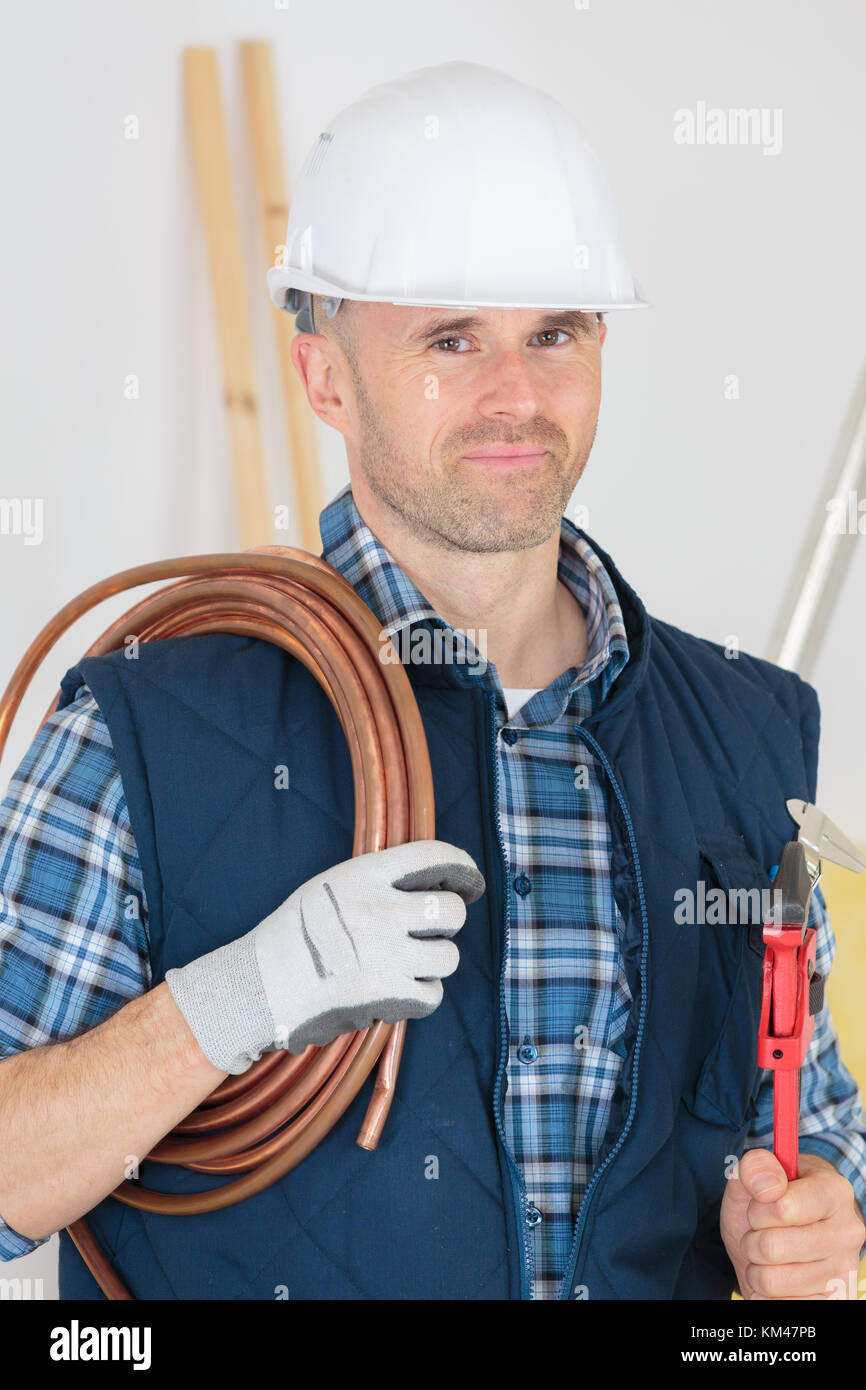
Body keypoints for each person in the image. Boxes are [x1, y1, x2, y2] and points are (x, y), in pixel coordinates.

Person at [1, 60, 864, 1301]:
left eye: (552, 334)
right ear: (325, 377)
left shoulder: (744, 737)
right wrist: (234, 998)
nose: (514, 393)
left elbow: (807, 1110)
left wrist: (809, 1218)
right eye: (449, 339)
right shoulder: (144, 726)